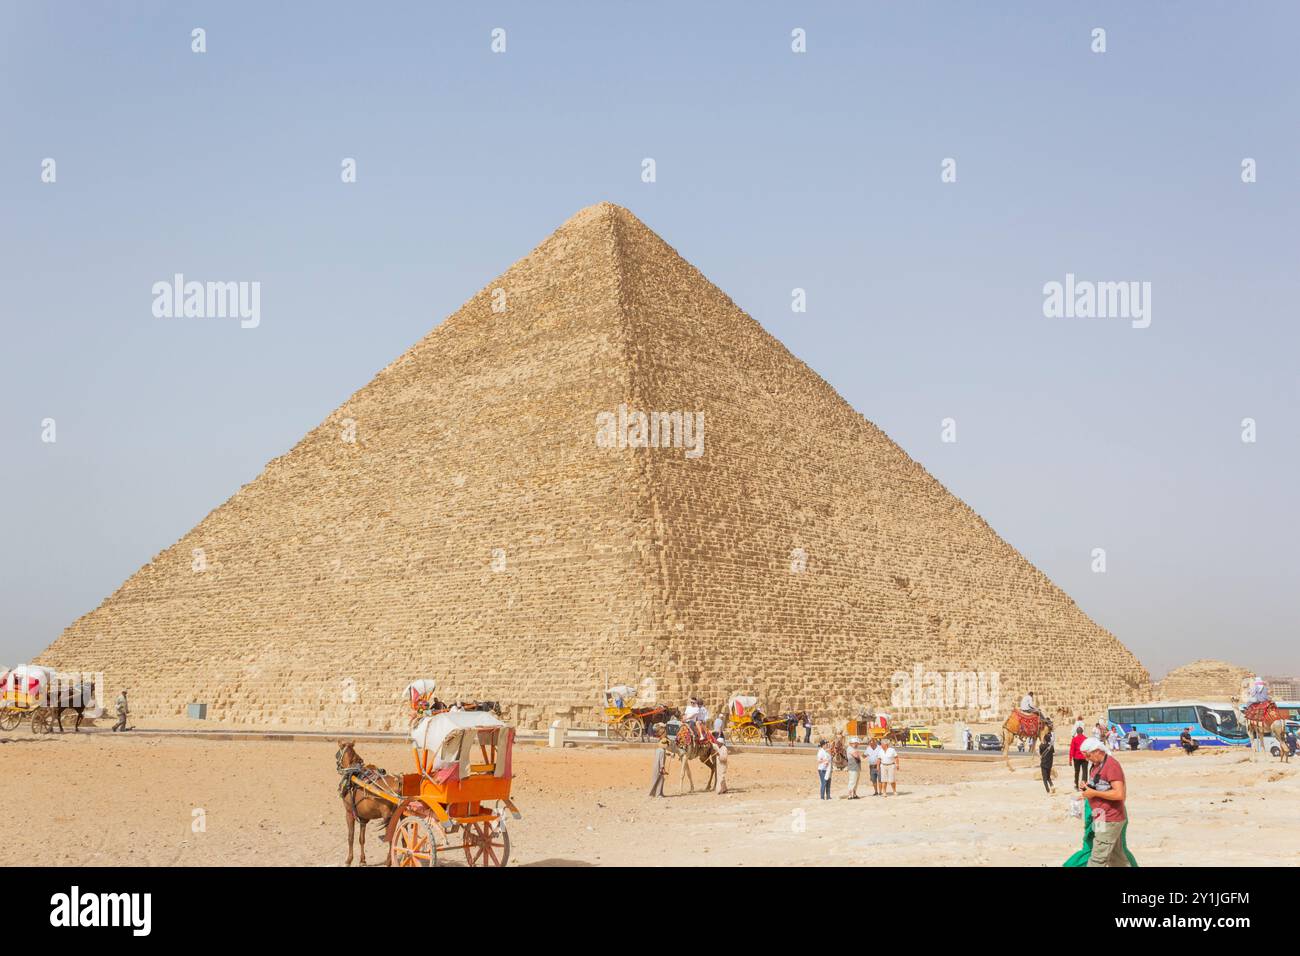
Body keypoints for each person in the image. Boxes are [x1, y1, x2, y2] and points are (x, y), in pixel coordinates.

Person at [1079, 737, 1129, 866]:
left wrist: (1094, 793)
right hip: (1099, 816)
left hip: (1110, 818)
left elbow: (1119, 794)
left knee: (1097, 858)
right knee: (1116, 857)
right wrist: (1087, 789)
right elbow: (1101, 787)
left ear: (1097, 751)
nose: (1087, 759)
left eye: (1088, 755)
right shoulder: (1096, 765)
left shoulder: (1111, 765)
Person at [649, 724, 670, 798]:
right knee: (659, 778)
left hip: (656, 766)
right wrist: (662, 768)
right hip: (659, 767)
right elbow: (661, 761)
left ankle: (655, 793)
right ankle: (657, 794)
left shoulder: (659, 749)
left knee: (657, 778)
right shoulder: (662, 751)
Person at [1039, 729, 1055, 795]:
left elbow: (1040, 753)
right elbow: (1053, 753)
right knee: (1048, 777)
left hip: (1043, 764)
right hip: (1049, 764)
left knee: (1044, 778)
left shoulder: (1041, 746)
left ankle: (1048, 790)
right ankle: (1052, 786)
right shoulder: (1051, 747)